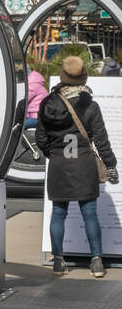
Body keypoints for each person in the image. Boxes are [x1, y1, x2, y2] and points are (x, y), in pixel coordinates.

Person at [35, 55, 119, 278]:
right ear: (83, 78)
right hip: (84, 165)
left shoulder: (47, 104)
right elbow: (101, 141)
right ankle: (97, 261)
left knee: (58, 214)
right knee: (90, 214)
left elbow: (41, 138)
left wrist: (52, 154)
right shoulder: (90, 105)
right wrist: (110, 165)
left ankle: (58, 262)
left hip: (59, 165)